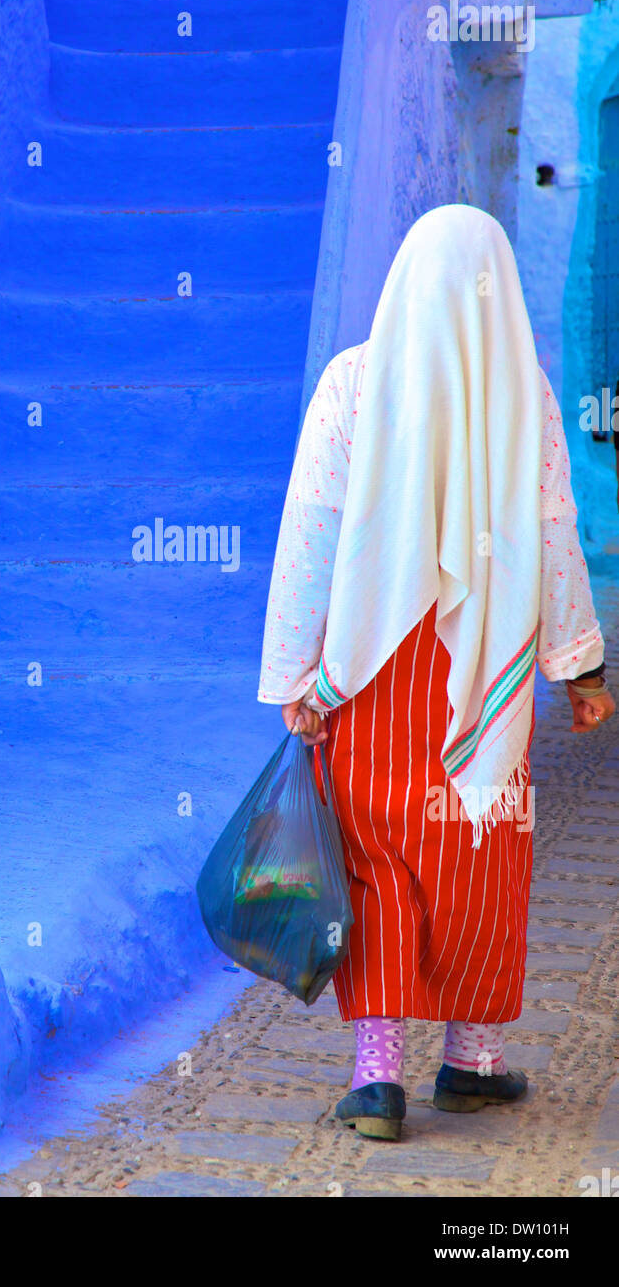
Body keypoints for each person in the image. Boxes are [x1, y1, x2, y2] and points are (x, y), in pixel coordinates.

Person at [257, 204, 614, 1141]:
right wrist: (580, 664)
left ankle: (377, 1079)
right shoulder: (525, 394)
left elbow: (312, 533)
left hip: (369, 675)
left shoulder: (351, 385)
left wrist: (296, 670)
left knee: (374, 861)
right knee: (480, 861)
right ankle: (470, 1063)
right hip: (483, 670)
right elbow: (550, 537)